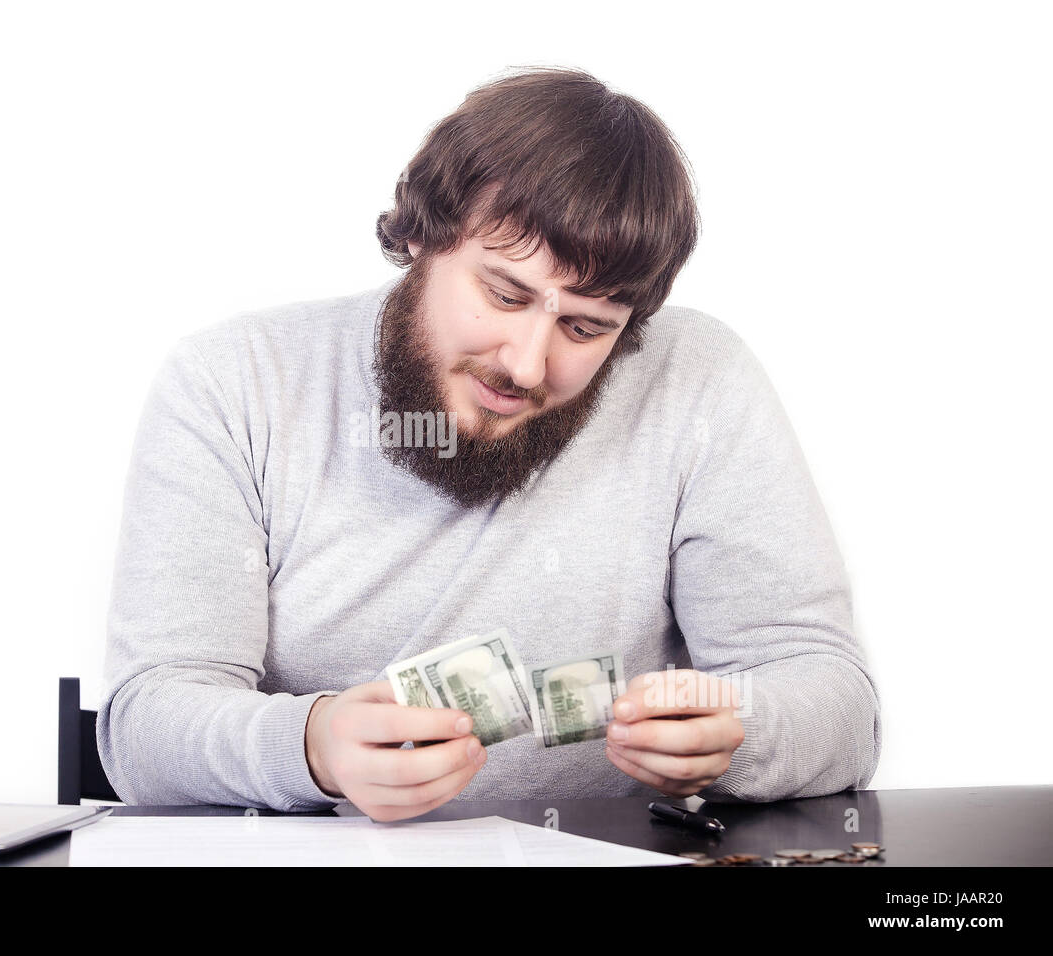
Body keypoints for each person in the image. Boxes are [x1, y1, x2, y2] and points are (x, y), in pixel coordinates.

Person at [95, 66, 881, 821]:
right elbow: (144, 726)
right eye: (504, 294)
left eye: (586, 327)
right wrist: (312, 745)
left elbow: (839, 707)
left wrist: (740, 733)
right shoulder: (235, 383)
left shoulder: (699, 380)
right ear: (422, 236)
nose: (526, 363)